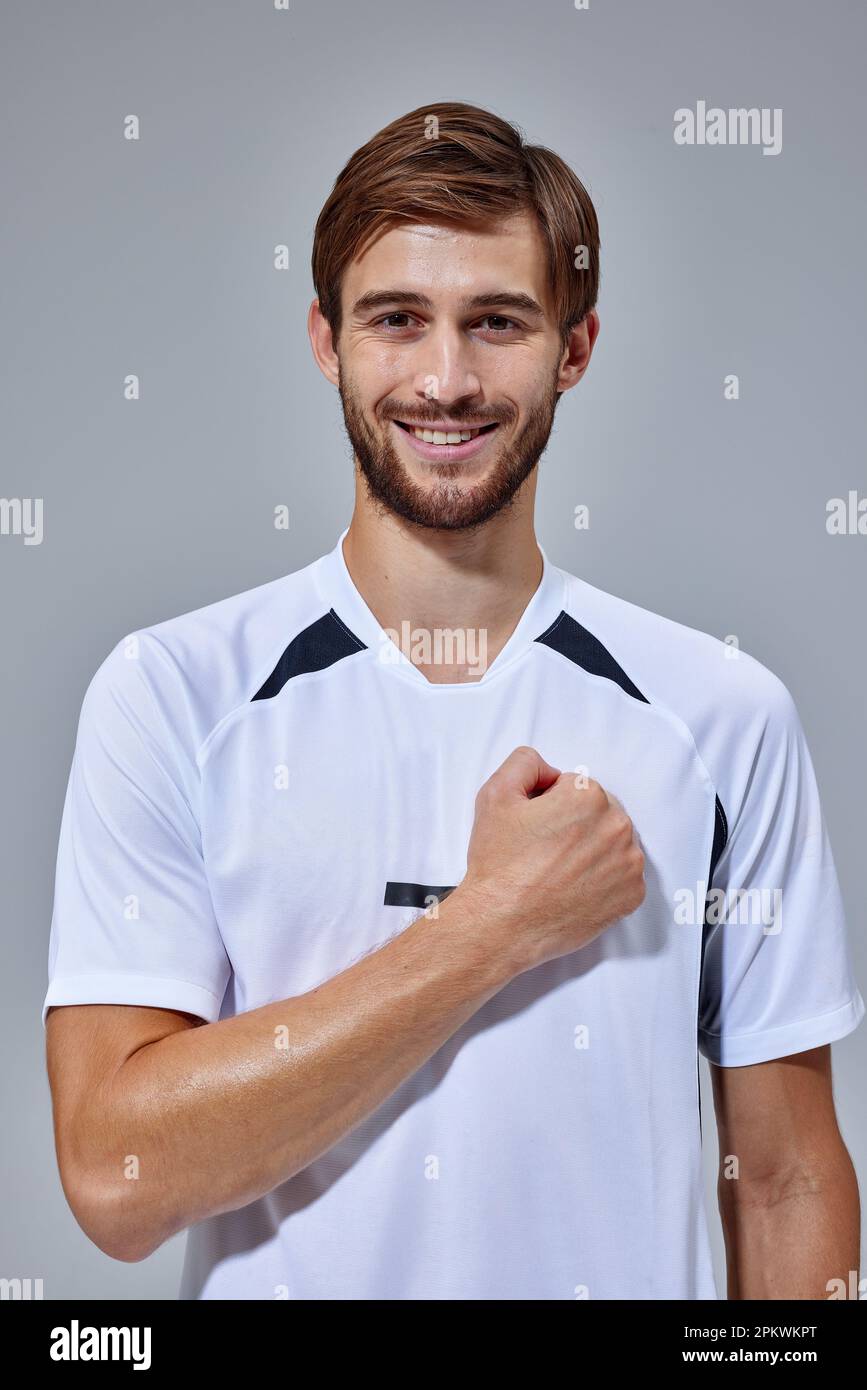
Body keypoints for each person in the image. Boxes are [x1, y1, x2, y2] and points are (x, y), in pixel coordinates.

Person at [43, 101, 864, 1300]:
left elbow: (786, 1179)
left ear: (573, 348)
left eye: (497, 323)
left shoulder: (720, 713)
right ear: (327, 340)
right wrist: (491, 926)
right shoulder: (173, 695)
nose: (446, 379)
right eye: (396, 320)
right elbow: (115, 1182)